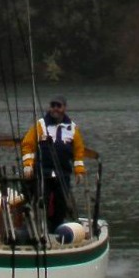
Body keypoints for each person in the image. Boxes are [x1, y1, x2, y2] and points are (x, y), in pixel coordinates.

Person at [21, 95, 87, 226]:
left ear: (64, 108)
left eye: (59, 106)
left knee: (61, 203)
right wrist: (28, 165)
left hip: (63, 174)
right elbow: (27, 145)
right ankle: (41, 228)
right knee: (41, 202)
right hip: (43, 173)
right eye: (53, 105)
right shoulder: (40, 125)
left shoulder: (73, 128)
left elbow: (78, 151)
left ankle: (57, 227)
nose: (55, 109)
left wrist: (79, 170)